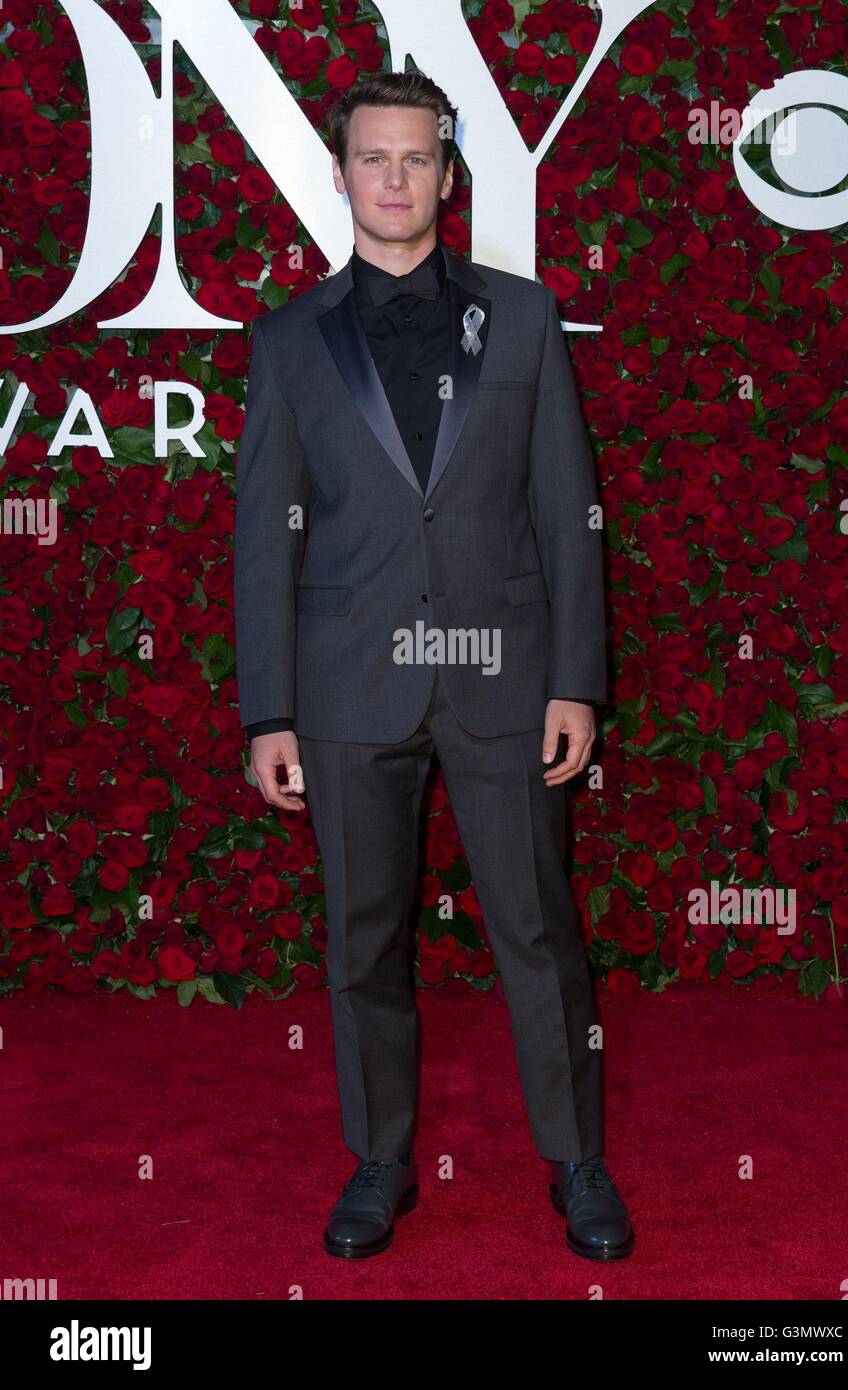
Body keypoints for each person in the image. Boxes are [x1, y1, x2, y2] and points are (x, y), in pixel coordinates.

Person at [234, 70, 633, 1262]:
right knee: (360, 941)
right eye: (373, 159)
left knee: (536, 931)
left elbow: (568, 510)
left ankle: (575, 1162)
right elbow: (264, 534)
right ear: (343, 174)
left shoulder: (521, 317)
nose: (394, 179)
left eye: (416, 160)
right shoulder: (288, 337)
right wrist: (270, 713)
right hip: (347, 687)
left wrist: (576, 679)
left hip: (506, 679)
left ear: (448, 178)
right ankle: (379, 1162)